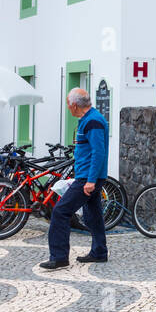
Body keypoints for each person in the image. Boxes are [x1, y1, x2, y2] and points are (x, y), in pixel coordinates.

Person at [41, 87, 108, 270]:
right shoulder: (89, 119)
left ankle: (59, 257)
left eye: (68, 104)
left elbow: (98, 152)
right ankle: (99, 252)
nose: (68, 108)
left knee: (60, 212)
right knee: (93, 215)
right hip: (87, 176)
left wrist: (91, 180)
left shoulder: (93, 121)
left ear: (74, 105)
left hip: (88, 178)